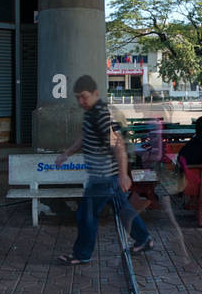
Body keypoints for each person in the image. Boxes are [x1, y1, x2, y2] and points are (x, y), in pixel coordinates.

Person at [59, 76, 151, 266]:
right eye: (78, 98)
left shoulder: (100, 115)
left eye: (84, 97)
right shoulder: (92, 114)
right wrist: (67, 153)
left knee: (86, 215)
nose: (80, 102)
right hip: (106, 177)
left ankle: (82, 254)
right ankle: (144, 239)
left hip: (103, 177)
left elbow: (117, 145)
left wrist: (124, 174)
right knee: (123, 210)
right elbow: (84, 137)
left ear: (95, 94)